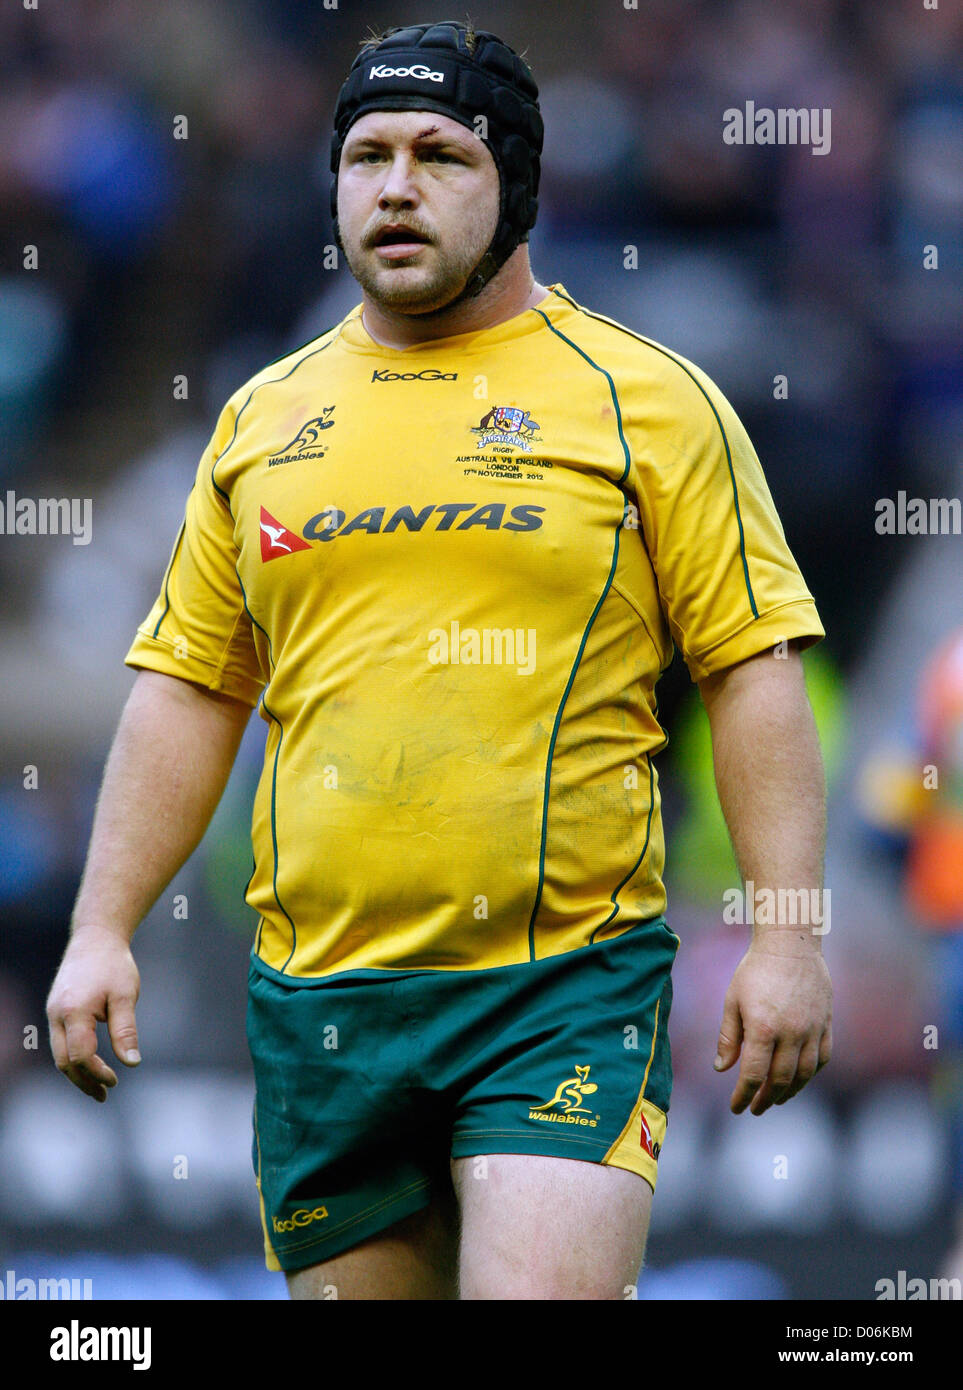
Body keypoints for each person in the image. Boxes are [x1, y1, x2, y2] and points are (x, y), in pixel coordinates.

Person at [46, 20, 833, 1301]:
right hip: (324, 1010)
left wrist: (789, 939)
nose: (395, 186)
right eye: (365, 156)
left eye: (440, 154)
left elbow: (754, 672)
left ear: (515, 185)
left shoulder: (650, 402)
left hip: (561, 985)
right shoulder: (265, 419)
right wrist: (101, 928)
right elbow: (191, 689)